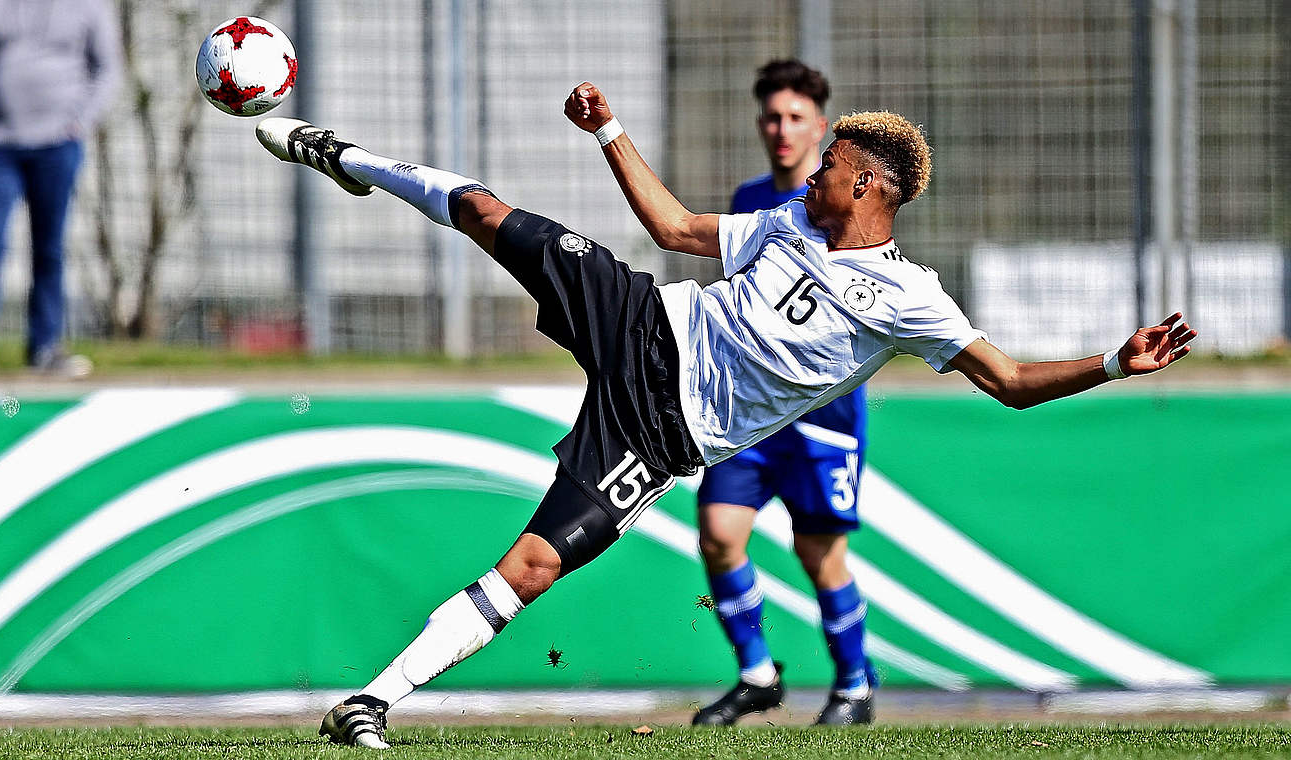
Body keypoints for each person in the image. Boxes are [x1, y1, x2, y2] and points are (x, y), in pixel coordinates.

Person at [252, 80, 1195, 747]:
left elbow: (1013, 380)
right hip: (642, 321)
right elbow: (674, 231)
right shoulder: (789, 218)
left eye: (830, 162)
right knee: (497, 215)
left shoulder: (915, 298)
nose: (813, 170)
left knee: (533, 566)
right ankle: (349, 158)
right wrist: (610, 128)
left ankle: (369, 702)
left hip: (662, 435)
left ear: (866, 185)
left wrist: (1116, 361)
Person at [692, 59, 877, 727]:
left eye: (796, 117)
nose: (782, 129)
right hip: (750, 416)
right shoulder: (748, 202)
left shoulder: (849, 210)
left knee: (818, 552)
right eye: (772, 116)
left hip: (822, 417)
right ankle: (757, 675)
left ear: (819, 127)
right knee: (718, 533)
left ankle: (855, 685)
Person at [0, 0, 122, 383]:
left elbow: (107, 69)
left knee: (50, 247)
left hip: (58, 146)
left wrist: (80, 122)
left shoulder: (90, 6)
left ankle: (45, 347)